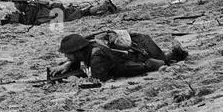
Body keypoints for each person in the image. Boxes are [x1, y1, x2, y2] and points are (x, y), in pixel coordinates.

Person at [51, 31, 188, 82]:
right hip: (138, 45)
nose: (65, 56)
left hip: (139, 57)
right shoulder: (90, 47)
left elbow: (97, 78)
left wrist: (71, 77)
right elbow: (80, 62)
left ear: (77, 51)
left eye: (68, 54)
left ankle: (173, 56)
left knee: (159, 63)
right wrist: (67, 64)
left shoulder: (97, 55)